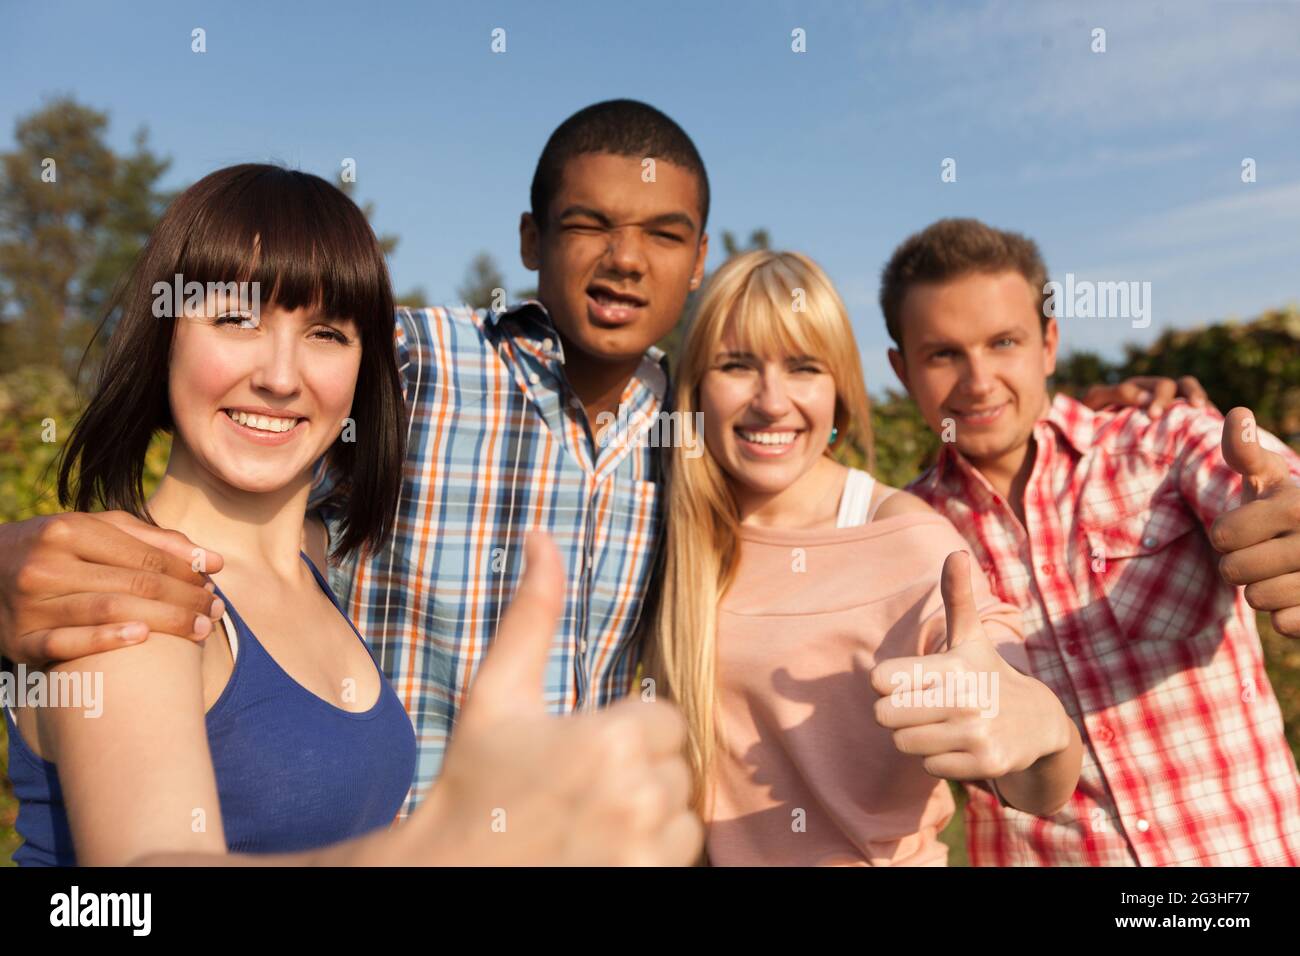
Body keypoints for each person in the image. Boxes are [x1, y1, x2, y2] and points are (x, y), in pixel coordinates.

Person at [0, 100, 1216, 824]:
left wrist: (1102, 395)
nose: (624, 259)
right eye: (587, 224)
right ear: (530, 239)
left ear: (695, 264)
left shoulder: (700, 447)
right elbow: (247, 412)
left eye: (664, 236)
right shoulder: (411, 364)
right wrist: (15, 554)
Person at [1, 164, 699, 866]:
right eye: (236, 319)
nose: (279, 376)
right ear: (164, 338)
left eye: (327, 333)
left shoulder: (316, 559)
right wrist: (436, 850)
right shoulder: (125, 596)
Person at [880, 217, 1300, 865]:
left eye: (1003, 342)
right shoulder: (902, 531)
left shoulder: (1164, 441)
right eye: (943, 354)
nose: (978, 380)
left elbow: (1270, 491)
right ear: (902, 371)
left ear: (1048, 344)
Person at [647, 250, 1082, 865]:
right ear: (696, 386)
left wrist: (1044, 733)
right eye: (737, 365)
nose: (771, 402)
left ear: (839, 394)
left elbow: (1030, 774)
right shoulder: (667, 528)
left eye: (803, 368)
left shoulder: (903, 536)